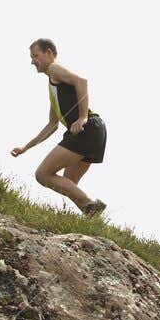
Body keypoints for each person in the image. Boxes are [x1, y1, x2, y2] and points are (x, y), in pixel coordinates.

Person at [10, 38, 107, 216]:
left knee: (43, 174)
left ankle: (91, 204)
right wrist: (25, 147)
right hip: (96, 130)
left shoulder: (54, 69)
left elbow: (82, 81)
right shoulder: (53, 85)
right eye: (31, 57)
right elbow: (52, 125)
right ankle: (93, 217)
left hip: (87, 127)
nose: (32, 61)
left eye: (35, 55)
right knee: (69, 182)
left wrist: (82, 117)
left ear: (49, 53)